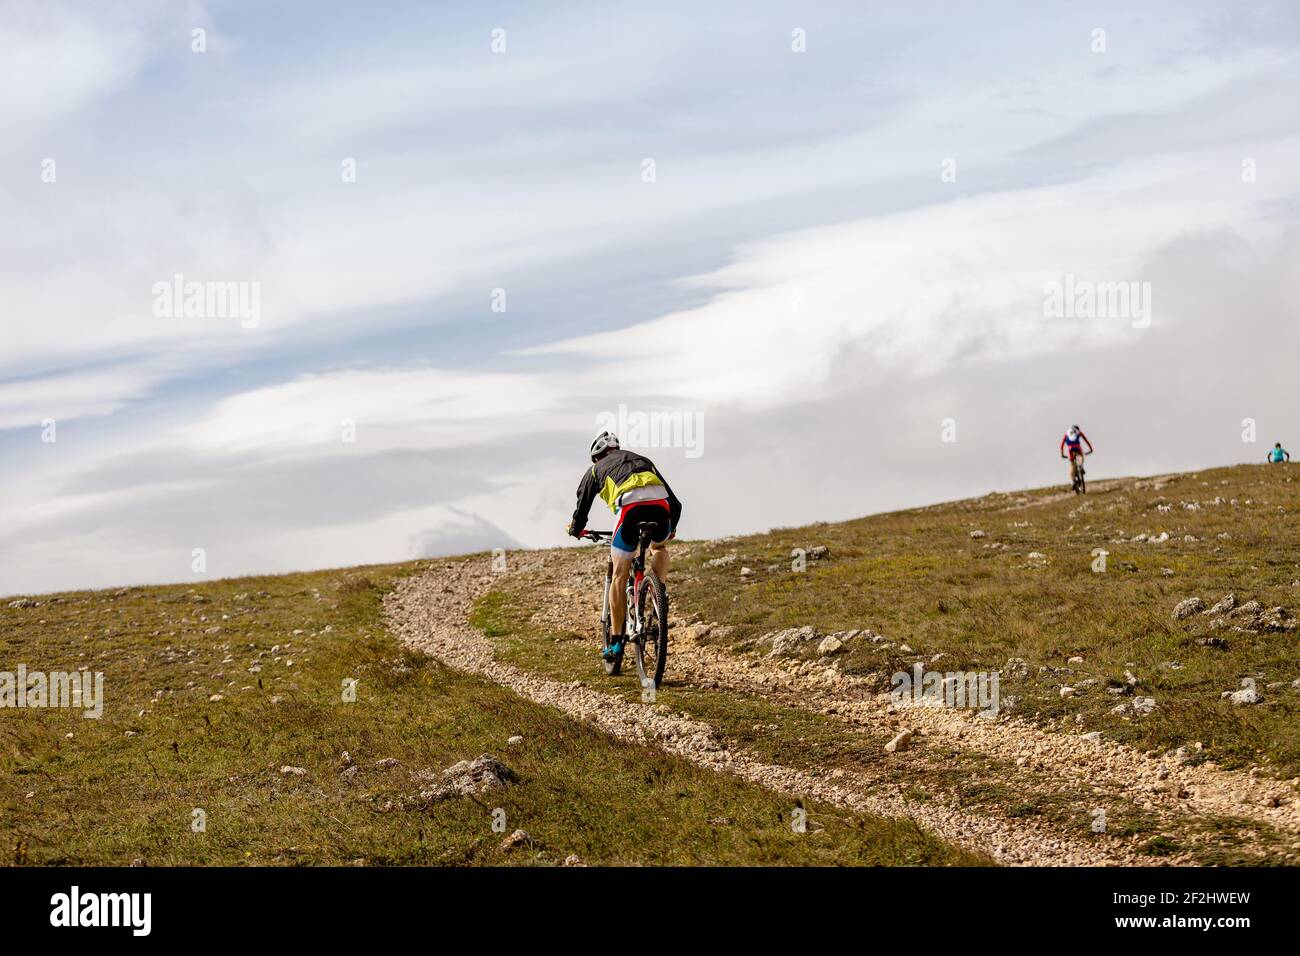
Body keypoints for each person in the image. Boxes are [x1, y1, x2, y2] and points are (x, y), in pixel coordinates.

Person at [567, 431, 682, 661]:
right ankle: (658, 590)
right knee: (658, 548)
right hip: (661, 509)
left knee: (619, 576)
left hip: (630, 510)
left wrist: (576, 529)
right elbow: (675, 503)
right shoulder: (644, 461)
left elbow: (582, 505)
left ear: (596, 457)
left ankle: (617, 642)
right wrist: (671, 529)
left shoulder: (594, 470)